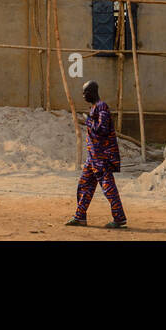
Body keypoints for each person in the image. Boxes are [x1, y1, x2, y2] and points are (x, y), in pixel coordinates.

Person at [65, 80, 127, 228]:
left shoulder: (102, 107)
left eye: (85, 92)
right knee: (84, 186)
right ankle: (80, 217)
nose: (83, 96)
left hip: (102, 158)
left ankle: (119, 219)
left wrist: (88, 121)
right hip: (92, 158)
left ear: (92, 92)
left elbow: (102, 129)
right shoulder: (94, 108)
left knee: (108, 189)